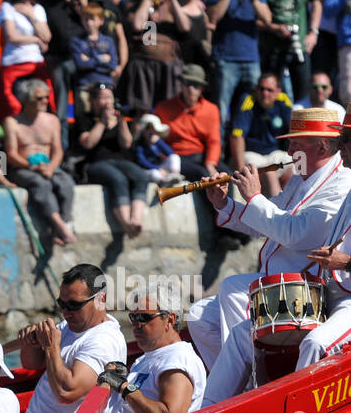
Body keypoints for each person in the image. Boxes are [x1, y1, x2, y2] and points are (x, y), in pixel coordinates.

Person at [191, 106, 350, 388]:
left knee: (232, 288)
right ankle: (232, 384)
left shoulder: (339, 185)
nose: (290, 152)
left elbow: (291, 232)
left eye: (296, 144)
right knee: (198, 318)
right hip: (280, 284)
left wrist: (254, 196)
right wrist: (224, 203)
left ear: (322, 147)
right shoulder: (301, 180)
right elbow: (263, 220)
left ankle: (251, 385)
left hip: (305, 287)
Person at [0, 263, 127, 413]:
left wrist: (51, 346)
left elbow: (67, 392)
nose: (66, 312)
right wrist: (32, 343)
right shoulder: (71, 325)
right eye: (62, 304)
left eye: (74, 305)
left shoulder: (103, 341)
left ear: (100, 300)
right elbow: (33, 364)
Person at [86, 299, 206, 413]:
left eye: (143, 318)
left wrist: (125, 388)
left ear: (170, 319)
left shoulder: (178, 360)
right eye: (133, 318)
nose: (136, 325)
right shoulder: (148, 357)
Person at [4, 77, 76, 245]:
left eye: (46, 97)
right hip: (23, 168)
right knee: (41, 185)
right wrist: (31, 166)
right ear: (26, 100)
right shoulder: (13, 122)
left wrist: (51, 167)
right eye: (39, 98)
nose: (45, 101)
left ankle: (62, 224)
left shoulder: (52, 120)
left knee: (66, 183)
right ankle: (62, 227)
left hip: (48, 166)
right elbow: (11, 154)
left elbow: (58, 150)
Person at [75, 82, 151, 237]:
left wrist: (121, 121)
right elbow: (88, 143)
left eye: (109, 98)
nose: (107, 102)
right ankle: (126, 224)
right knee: (118, 179)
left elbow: (127, 143)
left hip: (121, 161)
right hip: (95, 163)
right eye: (103, 98)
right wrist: (102, 122)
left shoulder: (118, 118)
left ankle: (135, 219)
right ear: (94, 101)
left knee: (141, 176)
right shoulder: (85, 119)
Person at [207, 0, 272, 137]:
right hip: (225, 59)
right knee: (221, 111)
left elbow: (267, 19)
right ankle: (219, 154)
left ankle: (249, 147)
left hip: (251, 58)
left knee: (254, 107)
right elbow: (213, 16)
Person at [0, 0, 52, 123]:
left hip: (36, 64)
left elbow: (46, 36)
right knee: (14, 105)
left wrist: (31, 17)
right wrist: (36, 39)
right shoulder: (7, 7)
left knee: (41, 103)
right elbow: (12, 37)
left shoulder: (38, 9)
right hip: (14, 64)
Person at [152, 63, 221, 179]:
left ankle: (227, 198)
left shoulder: (211, 109)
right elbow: (154, 139)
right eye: (187, 83)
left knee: (226, 175)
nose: (191, 89)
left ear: (202, 88)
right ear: (181, 85)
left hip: (200, 156)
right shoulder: (163, 108)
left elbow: (214, 142)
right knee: (202, 175)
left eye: (195, 85)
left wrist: (211, 163)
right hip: (174, 156)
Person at [229, 71, 293, 197]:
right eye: (261, 89)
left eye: (269, 90)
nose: (265, 93)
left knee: (294, 171)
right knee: (270, 172)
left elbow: (293, 132)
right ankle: (275, 214)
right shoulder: (248, 100)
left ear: (278, 91)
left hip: (275, 154)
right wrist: (241, 170)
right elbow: (237, 136)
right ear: (256, 89)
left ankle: (293, 212)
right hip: (252, 155)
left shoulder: (284, 101)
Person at [134, 111, 183, 183]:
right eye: (148, 129)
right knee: (154, 173)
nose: (151, 132)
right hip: (149, 170)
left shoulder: (158, 142)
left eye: (153, 129)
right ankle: (165, 182)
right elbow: (141, 161)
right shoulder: (140, 145)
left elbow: (170, 153)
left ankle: (175, 176)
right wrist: (157, 169)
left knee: (175, 157)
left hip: (160, 167)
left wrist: (158, 141)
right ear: (143, 132)